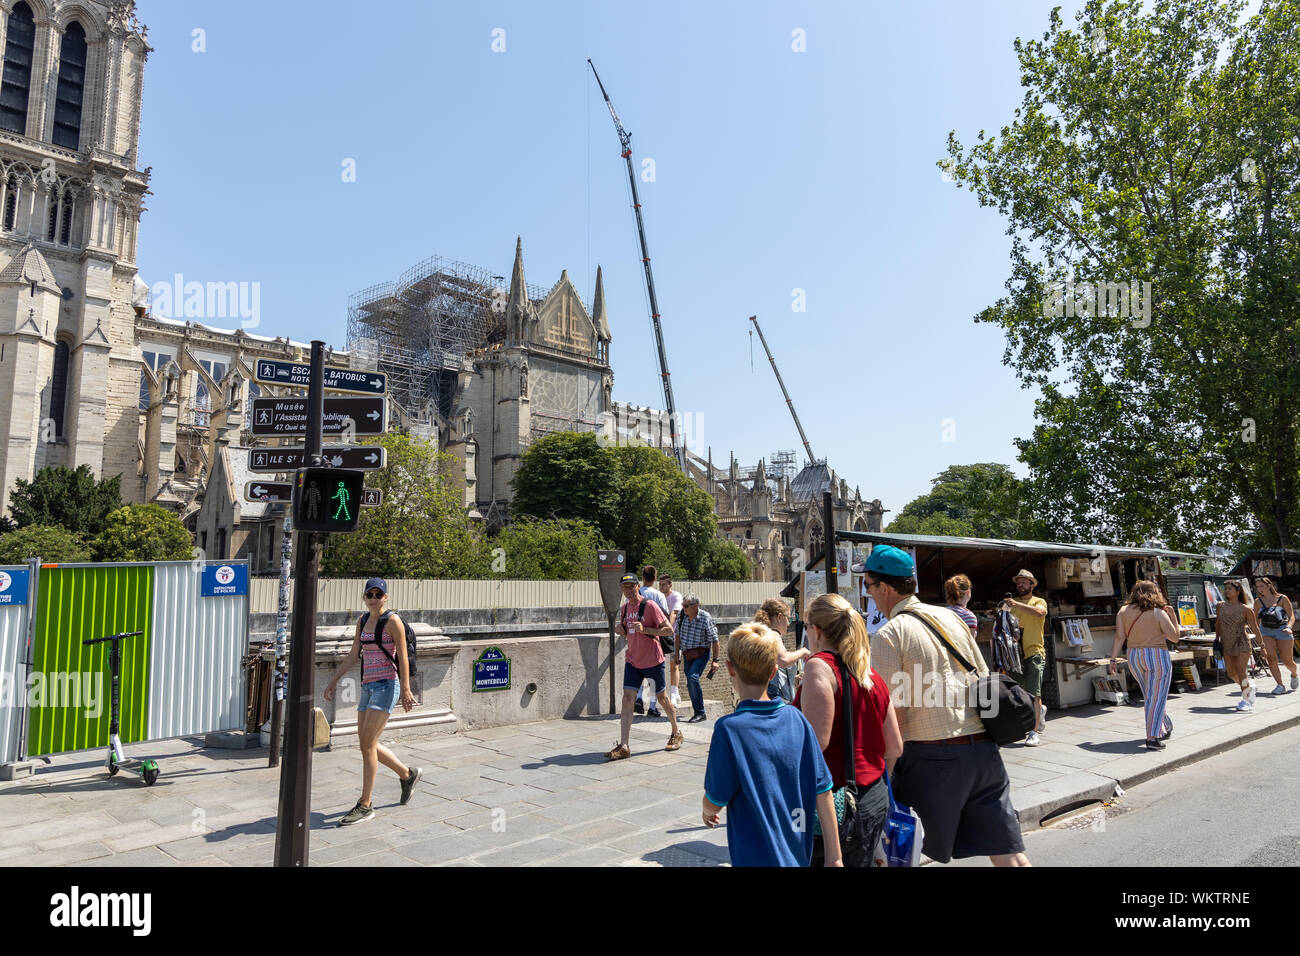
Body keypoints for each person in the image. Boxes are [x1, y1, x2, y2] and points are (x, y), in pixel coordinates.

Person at [866, 545, 1030, 867]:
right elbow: (983, 678)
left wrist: (883, 774)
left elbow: (892, 718)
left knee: (898, 848)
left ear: (884, 588)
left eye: (869, 586)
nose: (869, 594)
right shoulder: (951, 619)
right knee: (1008, 852)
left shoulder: (888, 635)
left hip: (931, 759)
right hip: (983, 751)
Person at [702, 623, 842, 866]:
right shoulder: (797, 719)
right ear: (774, 671)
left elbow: (716, 797)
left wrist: (707, 811)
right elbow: (823, 789)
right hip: (798, 856)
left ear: (729, 669)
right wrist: (836, 857)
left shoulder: (728, 729)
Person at [794, 593, 903, 866]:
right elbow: (895, 747)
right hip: (874, 798)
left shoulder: (818, 667)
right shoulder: (869, 674)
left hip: (837, 805)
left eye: (805, 626)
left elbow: (815, 745)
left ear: (816, 631)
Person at [322, 578, 421, 826]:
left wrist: (406, 690)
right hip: (367, 686)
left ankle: (365, 804)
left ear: (386, 597)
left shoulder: (393, 621)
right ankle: (407, 774)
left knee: (367, 745)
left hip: (387, 685)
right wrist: (334, 680)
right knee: (367, 743)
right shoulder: (362, 621)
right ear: (364, 597)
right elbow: (354, 654)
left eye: (378, 594)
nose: (374, 598)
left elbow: (403, 658)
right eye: (370, 594)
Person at [606, 574, 682, 759]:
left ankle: (676, 732)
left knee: (662, 698)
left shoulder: (649, 606)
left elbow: (668, 630)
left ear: (638, 586)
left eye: (631, 586)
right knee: (627, 699)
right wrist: (622, 632)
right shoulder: (624, 609)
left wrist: (646, 629)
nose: (628, 590)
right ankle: (624, 745)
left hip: (653, 660)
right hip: (633, 660)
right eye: (625, 587)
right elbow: (630, 634)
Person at [1108, 581, 1179, 749]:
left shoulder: (1123, 611)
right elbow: (1174, 637)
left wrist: (1113, 659)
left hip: (1134, 656)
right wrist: (1173, 617)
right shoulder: (1158, 613)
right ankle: (1152, 738)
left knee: (1150, 695)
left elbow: (1119, 637)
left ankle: (1163, 723)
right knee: (1156, 696)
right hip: (1156, 656)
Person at [1003, 570, 1048, 746]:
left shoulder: (1038, 601)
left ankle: (1034, 732)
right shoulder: (1010, 604)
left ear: (1031, 584)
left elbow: (1039, 613)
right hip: (1015, 656)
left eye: (1024, 582)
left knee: (1034, 693)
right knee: (1019, 693)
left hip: (1034, 652)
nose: (1020, 585)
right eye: (1018, 582)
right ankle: (1039, 713)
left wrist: (1015, 604)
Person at [753, 597, 812, 701]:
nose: (789, 624)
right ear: (780, 617)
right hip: (775, 698)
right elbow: (784, 660)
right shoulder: (773, 635)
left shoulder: (762, 636)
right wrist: (803, 651)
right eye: (788, 618)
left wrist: (793, 677)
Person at [1215, 580, 1260, 712]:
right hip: (1226, 642)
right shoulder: (1220, 606)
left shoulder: (1245, 609)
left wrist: (1262, 646)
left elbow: (1255, 628)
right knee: (1232, 673)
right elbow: (1218, 623)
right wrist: (1217, 638)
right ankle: (1249, 688)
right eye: (1226, 588)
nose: (1227, 590)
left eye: (1230, 588)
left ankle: (1245, 700)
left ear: (1238, 591)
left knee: (1241, 671)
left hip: (1242, 642)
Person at [673, 594, 720, 722]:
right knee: (690, 682)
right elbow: (677, 637)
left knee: (692, 678)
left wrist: (715, 660)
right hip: (688, 654)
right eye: (683, 605)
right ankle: (697, 711)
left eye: (686, 606)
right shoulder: (682, 616)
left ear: (695, 606)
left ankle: (700, 712)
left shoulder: (705, 618)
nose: (683, 608)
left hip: (701, 654)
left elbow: (715, 640)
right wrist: (676, 655)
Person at [634, 566, 670, 717]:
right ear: (655, 578)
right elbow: (665, 616)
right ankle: (653, 706)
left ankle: (639, 699)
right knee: (654, 675)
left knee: (639, 670)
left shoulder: (637, 593)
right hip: (654, 638)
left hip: (637, 638)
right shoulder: (658, 595)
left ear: (642, 577)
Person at [1253, 577, 1297, 695]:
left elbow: (1291, 616)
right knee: (1271, 659)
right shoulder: (1258, 601)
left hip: (1283, 630)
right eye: (1257, 587)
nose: (1259, 589)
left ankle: (1294, 674)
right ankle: (1280, 685)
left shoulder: (1282, 598)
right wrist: (1258, 637)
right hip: (1266, 631)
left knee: (1288, 661)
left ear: (1269, 585)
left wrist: (1289, 627)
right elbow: (1255, 621)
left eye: (1261, 586)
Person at [659, 572, 684, 710]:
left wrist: (668, 628)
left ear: (670, 584)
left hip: (674, 636)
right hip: (661, 636)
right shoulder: (659, 596)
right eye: (660, 584)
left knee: (674, 664)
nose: (661, 587)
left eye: (664, 584)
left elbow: (674, 613)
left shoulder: (676, 596)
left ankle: (674, 693)